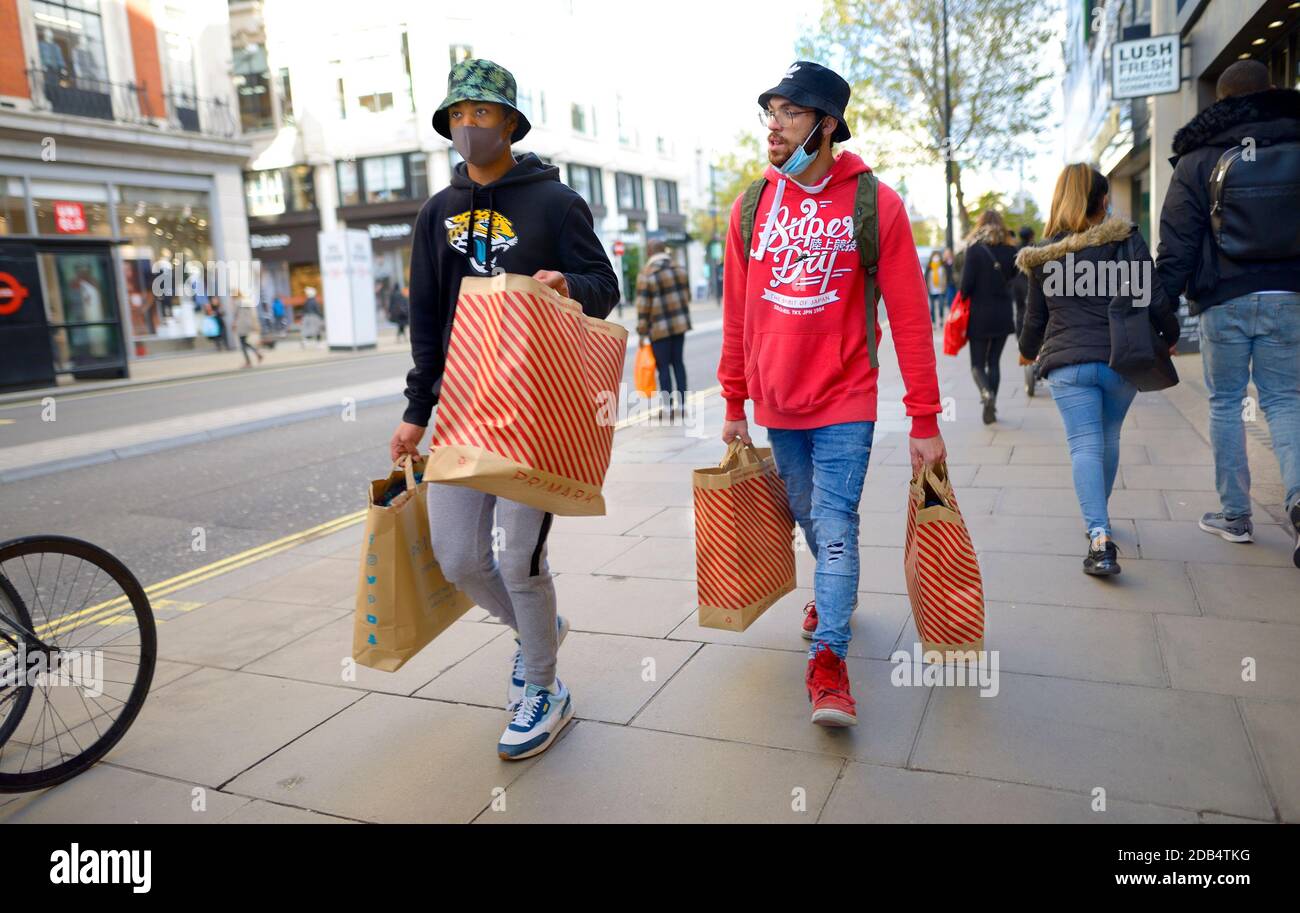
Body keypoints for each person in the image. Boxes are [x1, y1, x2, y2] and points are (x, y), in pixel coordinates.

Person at [388, 58, 619, 760]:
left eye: (481, 113)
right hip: (461, 407)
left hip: (536, 406)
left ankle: (544, 687)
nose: (468, 126)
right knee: (459, 558)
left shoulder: (555, 203)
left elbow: (604, 284)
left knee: (520, 561)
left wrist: (565, 283)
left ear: (510, 122)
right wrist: (415, 409)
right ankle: (538, 631)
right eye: (458, 114)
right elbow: (426, 320)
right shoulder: (436, 213)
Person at [719, 61, 945, 729]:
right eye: (770, 111)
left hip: (847, 399)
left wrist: (925, 419)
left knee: (836, 524)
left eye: (788, 112)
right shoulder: (752, 206)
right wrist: (734, 404)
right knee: (812, 519)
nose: (773, 125)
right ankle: (830, 591)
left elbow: (909, 320)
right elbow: (738, 314)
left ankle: (829, 664)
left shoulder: (877, 204)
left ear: (825, 125)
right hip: (778, 404)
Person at [1153, 60, 1300, 564]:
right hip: (1289, 295)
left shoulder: (1199, 157)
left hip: (1224, 298)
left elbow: (1176, 243)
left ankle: (1236, 516)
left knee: (1226, 402)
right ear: (1273, 91)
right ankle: (1299, 498)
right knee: (1285, 400)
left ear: (1219, 103)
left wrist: (1161, 312)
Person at [1017, 164, 1180, 576]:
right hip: (1121, 361)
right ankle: (1100, 521)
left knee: (1084, 445)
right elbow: (1155, 295)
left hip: (1068, 365)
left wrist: (1026, 352)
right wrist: (1171, 333)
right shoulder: (1126, 240)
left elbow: (1035, 317)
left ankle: (1099, 536)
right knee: (1107, 437)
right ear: (1103, 201)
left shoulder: (1044, 254)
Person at [960, 209, 1017, 424]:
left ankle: (986, 394)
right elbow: (1013, 276)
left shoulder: (975, 250)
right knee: (994, 362)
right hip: (1002, 313)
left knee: (977, 364)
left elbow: (966, 286)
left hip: (979, 315)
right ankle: (991, 408)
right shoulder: (1011, 250)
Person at [635, 239, 692, 417]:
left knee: (664, 367)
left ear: (650, 252)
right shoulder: (679, 270)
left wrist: (642, 333)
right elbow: (687, 297)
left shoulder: (647, 274)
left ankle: (668, 407)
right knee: (678, 363)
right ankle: (682, 406)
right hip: (679, 325)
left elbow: (643, 308)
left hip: (658, 329)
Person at [230, 297, 264, 367]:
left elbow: (235, 315)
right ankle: (257, 354)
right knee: (244, 342)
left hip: (241, 325)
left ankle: (248, 362)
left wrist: (234, 324)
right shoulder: (246, 303)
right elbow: (252, 314)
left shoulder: (236, 303)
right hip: (248, 324)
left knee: (243, 344)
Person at [925, 250, 949, 327]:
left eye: (937, 256)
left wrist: (944, 287)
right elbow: (926, 278)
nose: (936, 258)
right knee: (932, 307)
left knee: (941, 306)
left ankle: (941, 319)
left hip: (940, 290)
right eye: (934, 256)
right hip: (931, 290)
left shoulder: (942, 267)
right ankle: (934, 322)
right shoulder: (929, 268)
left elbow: (945, 278)